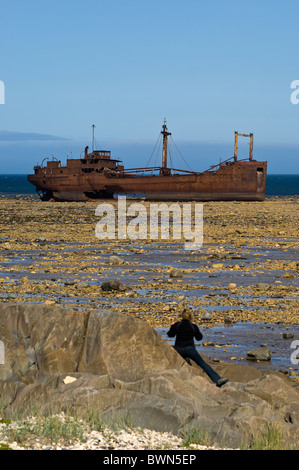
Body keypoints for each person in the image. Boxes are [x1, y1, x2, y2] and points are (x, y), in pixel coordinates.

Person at [167, 309, 228, 388]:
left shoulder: (177, 325)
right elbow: (199, 338)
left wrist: (172, 326)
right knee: (202, 363)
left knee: (184, 359)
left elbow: (170, 335)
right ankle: (217, 379)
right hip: (190, 349)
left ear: (182, 316)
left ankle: (184, 367)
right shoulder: (193, 326)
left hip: (179, 349)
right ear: (191, 316)